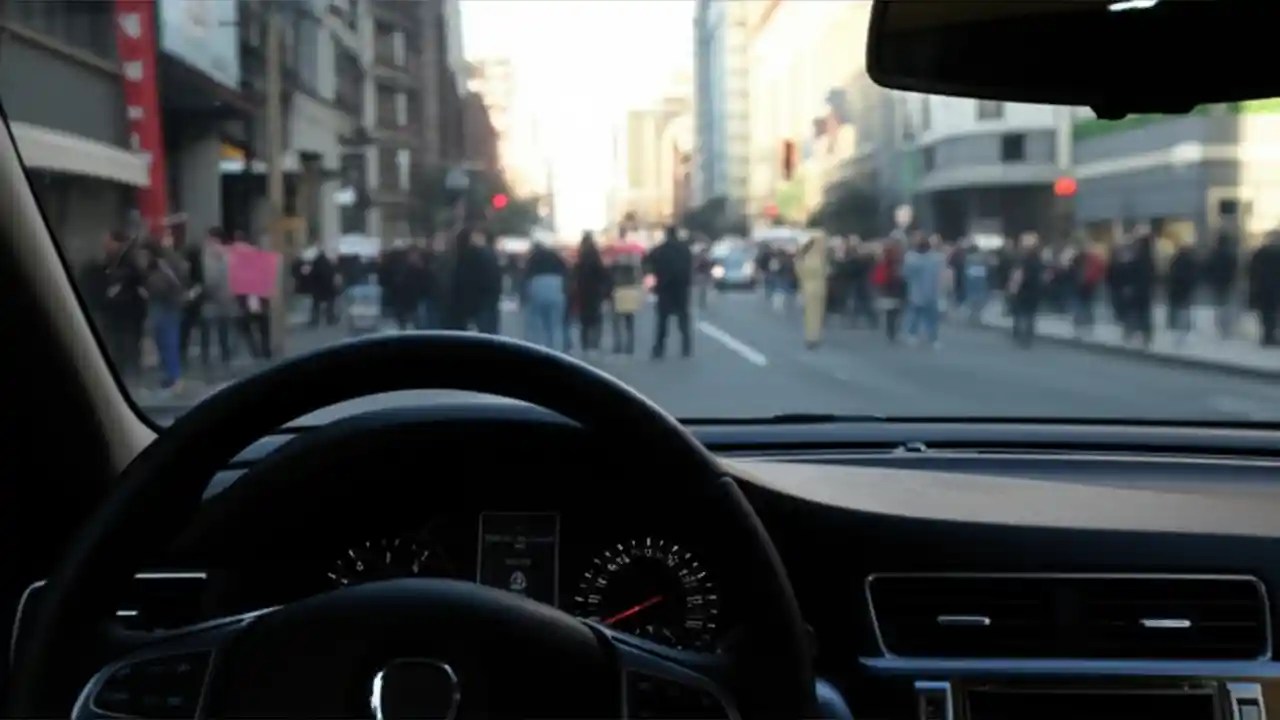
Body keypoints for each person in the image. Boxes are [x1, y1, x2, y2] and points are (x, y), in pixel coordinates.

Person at [141, 228, 189, 390]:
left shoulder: (161, 263)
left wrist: (148, 286)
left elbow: (159, 284)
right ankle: (170, 376)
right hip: (170, 303)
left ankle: (173, 377)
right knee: (165, 341)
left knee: (167, 341)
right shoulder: (172, 259)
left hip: (165, 303)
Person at [647, 226, 694, 359]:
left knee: (662, 320)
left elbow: (648, 259)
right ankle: (686, 347)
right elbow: (690, 265)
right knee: (683, 319)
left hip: (665, 288)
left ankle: (659, 348)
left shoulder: (661, 249)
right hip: (681, 288)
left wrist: (655, 274)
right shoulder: (684, 249)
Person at [521, 238, 569, 349]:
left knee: (536, 324)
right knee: (555, 324)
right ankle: (556, 350)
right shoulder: (555, 257)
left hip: (537, 285)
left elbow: (526, 276)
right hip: (556, 286)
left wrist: (524, 296)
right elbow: (566, 272)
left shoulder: (533, 258)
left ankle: (537, 349)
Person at [574, 232, 611, 356]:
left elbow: (575, 277)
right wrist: (606, 293)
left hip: (583, 293)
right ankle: (595, 344)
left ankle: (585, 345)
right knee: (596, 320)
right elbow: (604, 276)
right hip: (595, 293)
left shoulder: (580, 260)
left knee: (584, 321)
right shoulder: (596, 259)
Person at [797, 233, 829, 349]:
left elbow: (799, 271)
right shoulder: (820, 258)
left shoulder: (804, 257)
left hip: (808, 287)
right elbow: (826, 271)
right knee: (816, 313)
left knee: (810, 313)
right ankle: (814, 336)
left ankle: (811, 335)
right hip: (818, 287)